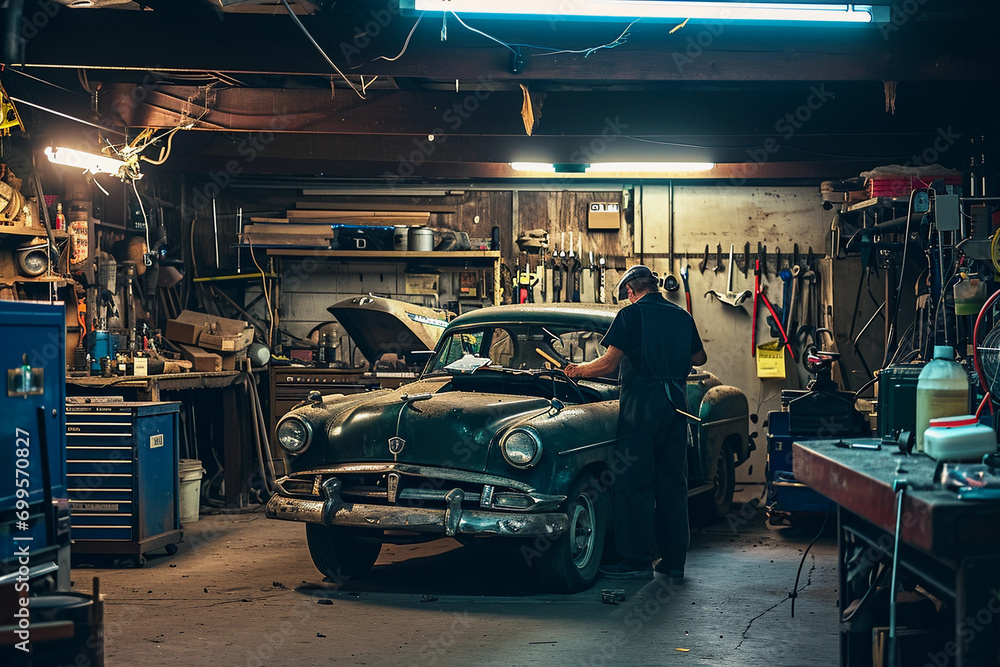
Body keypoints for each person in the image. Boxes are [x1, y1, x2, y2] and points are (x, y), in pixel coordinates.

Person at [565, 265, 707, 580]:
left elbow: (609, 363)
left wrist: (577, 370)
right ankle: (674, 562)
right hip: (676, 406)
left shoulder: (630, 315)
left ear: (630, 291)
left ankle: (636, 562)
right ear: (653, 287)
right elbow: (699, 359)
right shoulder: (682, 316)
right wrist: (670, 354)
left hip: (642, 408)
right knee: (673, 485)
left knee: (635, 484)